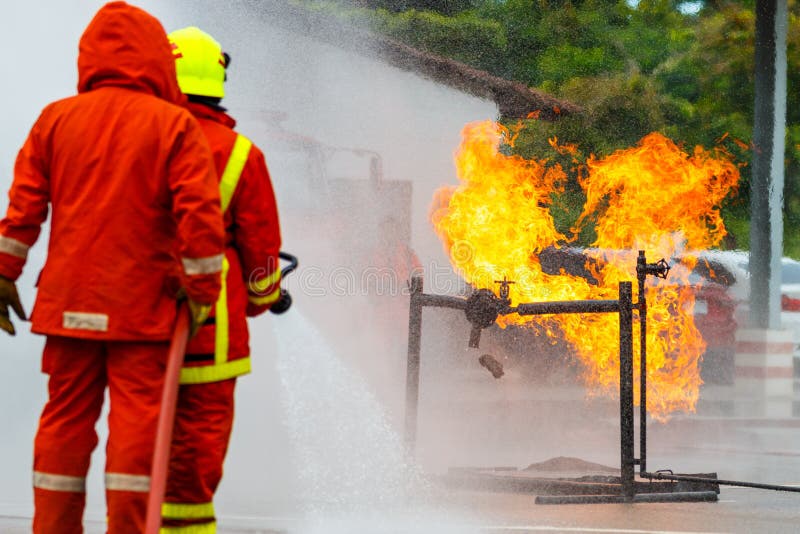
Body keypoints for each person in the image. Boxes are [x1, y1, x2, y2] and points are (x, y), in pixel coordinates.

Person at [0, 3, 225, 533]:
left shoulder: (55, 119)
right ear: (156, 61)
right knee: (136, 433)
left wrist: (4, 275)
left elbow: (24, 208)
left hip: (66, 306)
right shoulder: (174, 126)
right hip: (141, 312)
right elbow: (200, 218)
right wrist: (201, 293)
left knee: (63, 424)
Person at [161, 26, 284, 532]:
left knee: (142, 441)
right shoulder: (238, 153)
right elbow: (261, 253)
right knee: (197, 442)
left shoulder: (140, 138)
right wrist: (265, 297)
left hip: (139, 325)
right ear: (218, 77)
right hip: (213, 333)